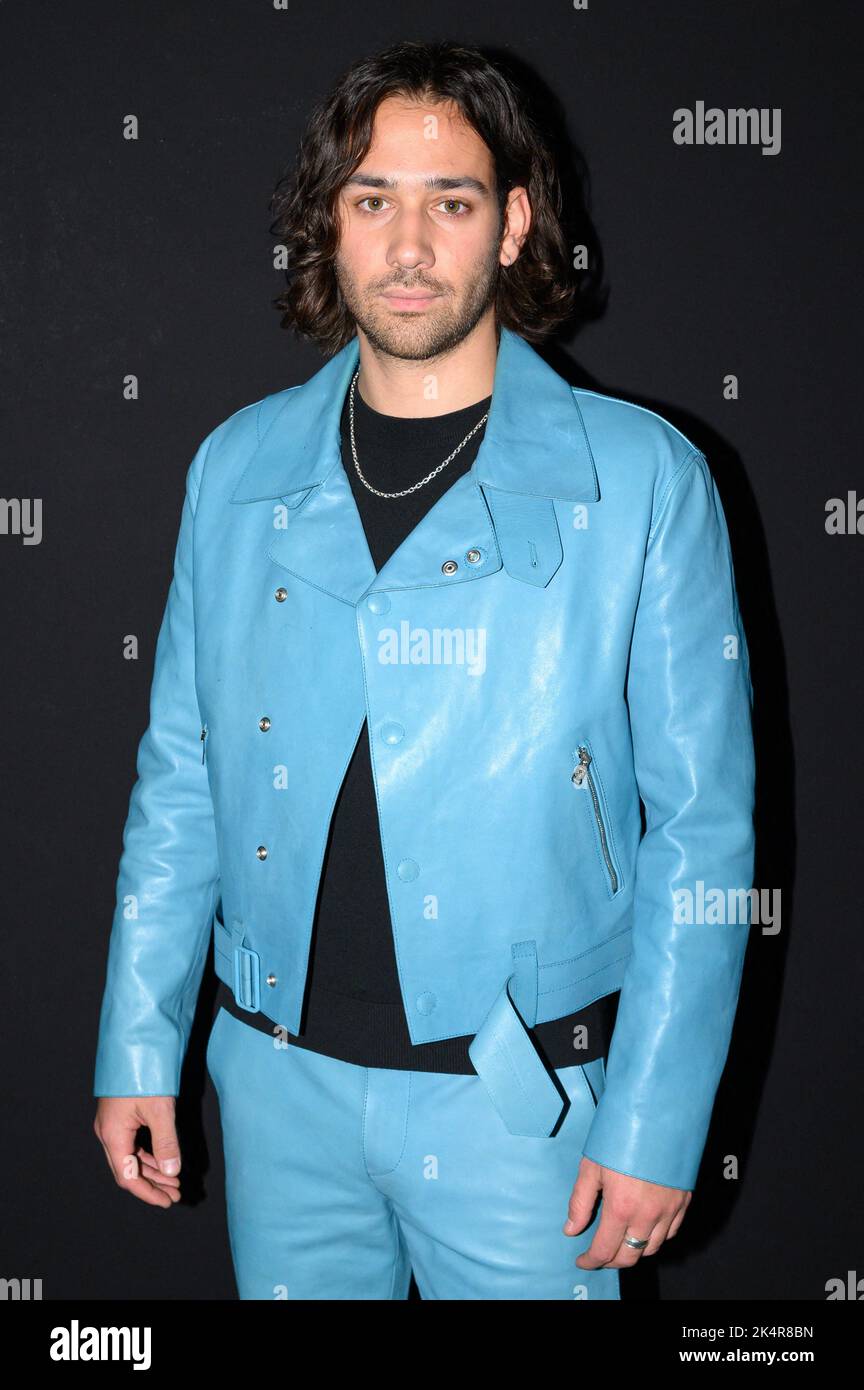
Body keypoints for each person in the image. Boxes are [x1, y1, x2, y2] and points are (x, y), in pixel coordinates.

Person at [93, 39, 755, 1301]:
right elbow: (181, 778)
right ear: (328, 227)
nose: (409, 246)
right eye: (372, 200)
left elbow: (704, 833)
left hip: (522, 1114)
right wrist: (139, 1038)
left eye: (450, 202)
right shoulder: (236, 470)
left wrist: (659, 1117)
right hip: (278, 1096)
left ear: (513, 224)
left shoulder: (640, 479)